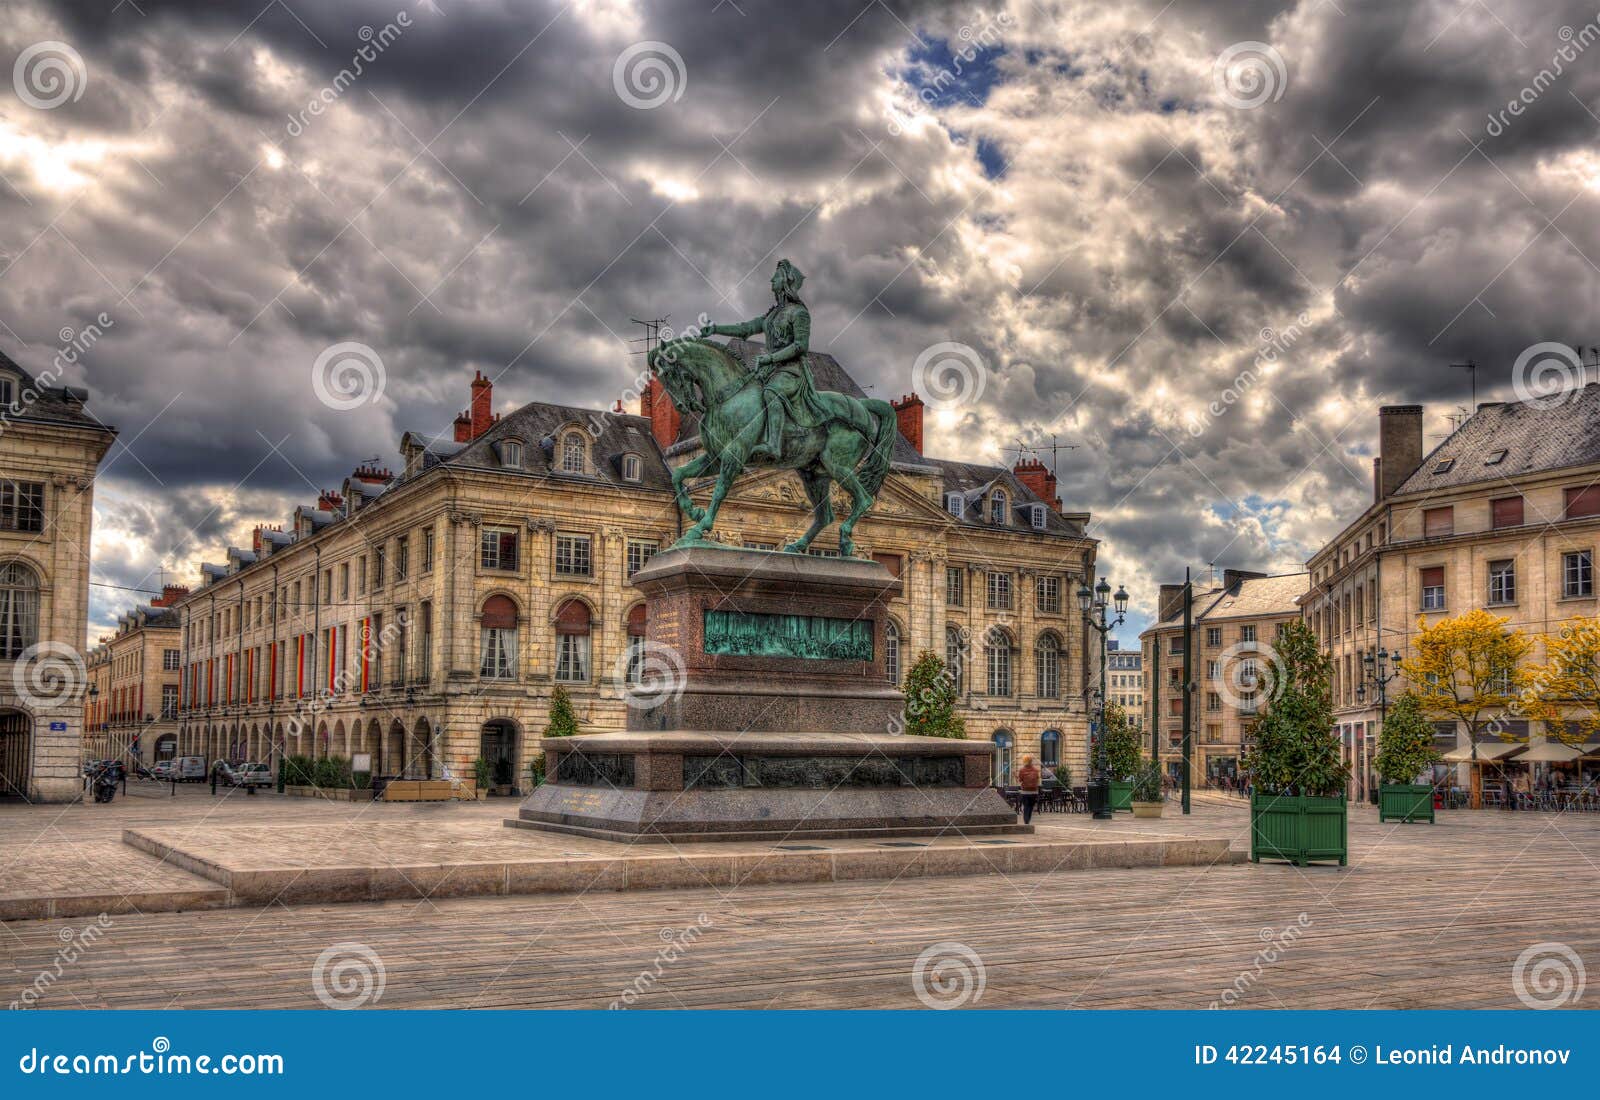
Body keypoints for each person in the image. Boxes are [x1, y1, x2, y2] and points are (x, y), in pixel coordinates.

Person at [1017, 755, 1041, 824]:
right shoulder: (1036, 770)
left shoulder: (1022, 770)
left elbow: (1020, 780)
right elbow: (1037, 779)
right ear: (1031, 761)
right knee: (1031, 806)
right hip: (1034, 792)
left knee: (1026, 806)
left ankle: (1026, 820)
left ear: (1024, 761)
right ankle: (1028, 819)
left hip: (1025, 792)